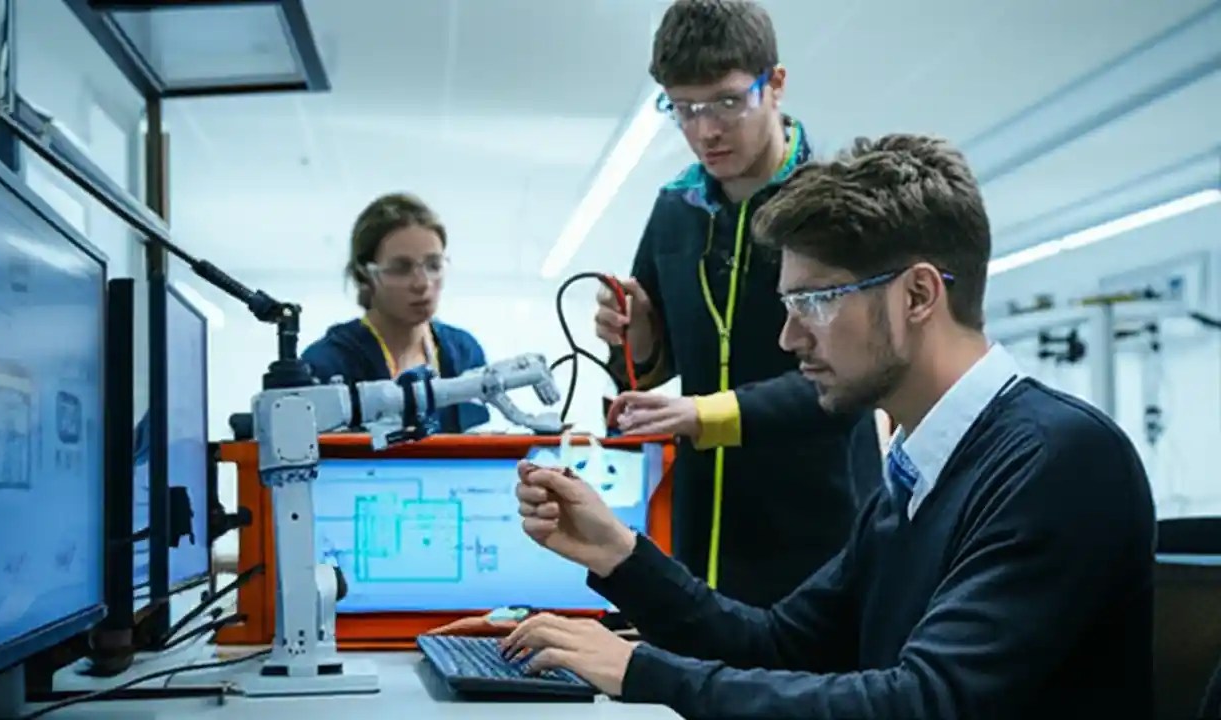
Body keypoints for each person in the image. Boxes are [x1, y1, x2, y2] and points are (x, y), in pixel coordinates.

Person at [508, 134, 1156, 718]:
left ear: (918, 296)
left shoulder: (1057, 462)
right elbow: (778, 643)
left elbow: (925, 701)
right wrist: (619, 555)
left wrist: (639, 670)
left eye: (814, 301)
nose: (790, 337)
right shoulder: (913, 476)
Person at [594, 0, 873, 607]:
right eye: (683, 108)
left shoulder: (835, 207)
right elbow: (650, 366)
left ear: (774, 84)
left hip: (820, 541)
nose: (705, 130)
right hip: (699, 540)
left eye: (725, 101)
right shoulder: (675, 210)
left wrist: (703, 415)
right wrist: (637, 339)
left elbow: (855, 379)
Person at [301, 192, 489, 432]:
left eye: (434, 265)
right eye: (401, 268)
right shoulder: (327, 363)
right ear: (364, 275)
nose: (422, 283)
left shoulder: (463, 352)